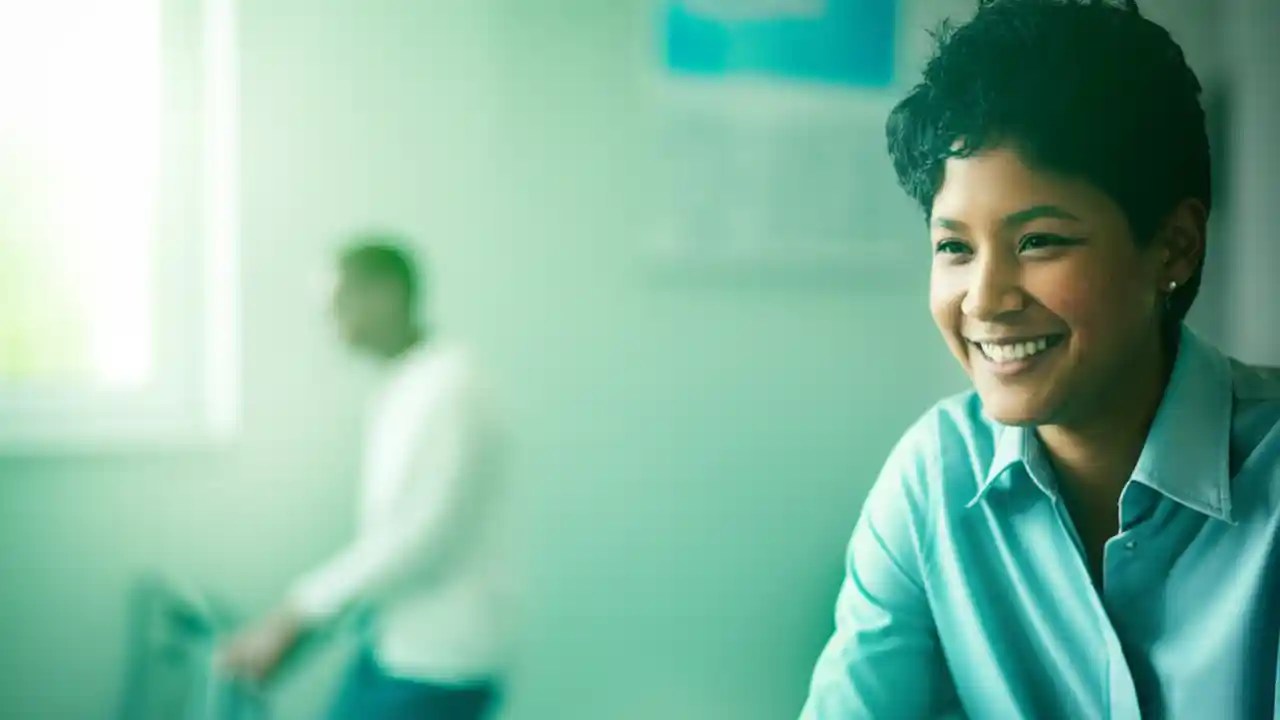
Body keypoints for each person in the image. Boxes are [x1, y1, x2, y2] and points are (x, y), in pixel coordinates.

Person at [801, 1, 1280, 718]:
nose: (985, 300)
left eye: (1040, 242)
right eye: (954, 247)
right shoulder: (933, 480)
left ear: (1174, 246)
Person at [220, 237, 509, 720]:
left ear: (387, 295)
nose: (329, 323)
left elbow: (416, 538)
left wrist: (296, 615)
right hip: (398, 643)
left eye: (338, 304)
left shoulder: (448, 389)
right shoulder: (407, 386)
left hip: (440, 657)